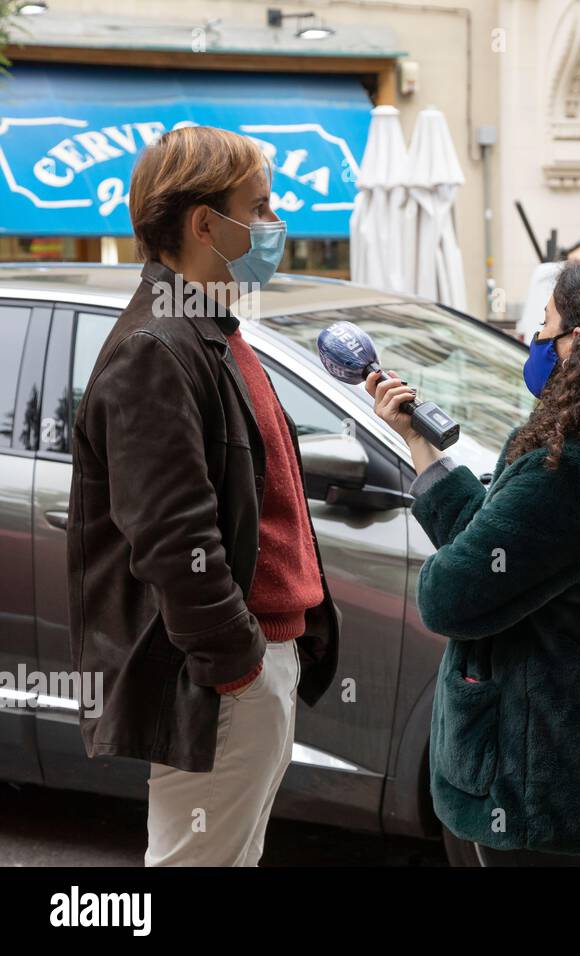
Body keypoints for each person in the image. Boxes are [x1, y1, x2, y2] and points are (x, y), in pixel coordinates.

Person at [367, 254, 580, 865]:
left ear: (578, 341)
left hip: (531, 783)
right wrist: (420, 445)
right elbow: (511, 555)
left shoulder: (568, 473)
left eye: (544, 326)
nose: (535, 341)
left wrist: (446, 562)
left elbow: (451, 596)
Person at [66, 125, 339, 866]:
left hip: (255, 662)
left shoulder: (213, 329)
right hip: (226, 675)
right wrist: (237, 664)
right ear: (204, 223)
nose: (275, 225)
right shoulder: (157, 348)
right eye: (260, 205)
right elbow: (171, 534)